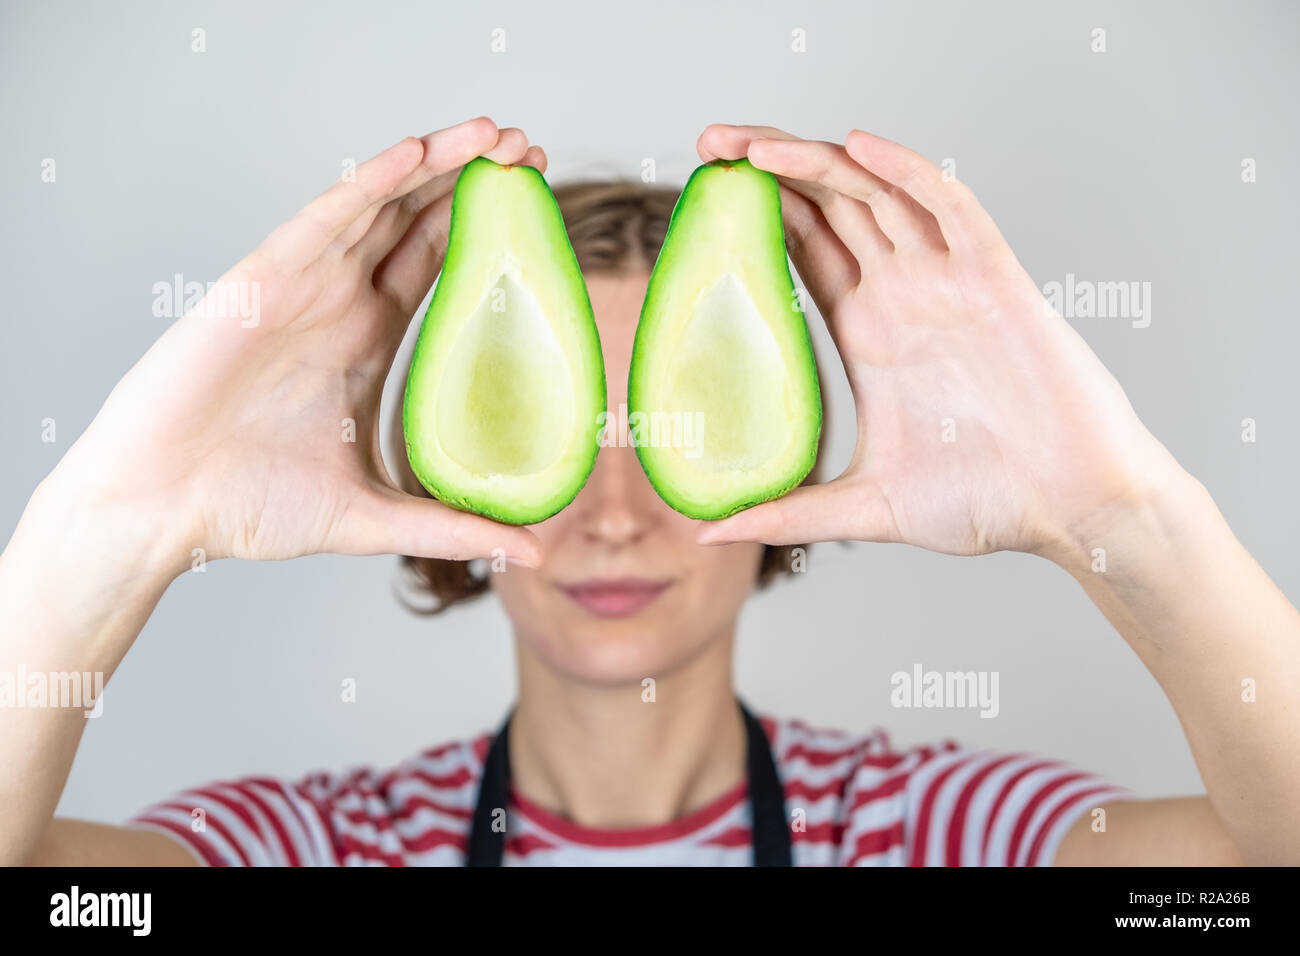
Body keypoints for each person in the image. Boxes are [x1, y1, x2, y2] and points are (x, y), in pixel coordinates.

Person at [3, 117, 1295, 867]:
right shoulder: (306, 848)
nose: (613, 516)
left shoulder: (951, 831)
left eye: (673, 436)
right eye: (563, 442)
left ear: (789, 473)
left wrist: (1126, 520)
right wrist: (107, 538)